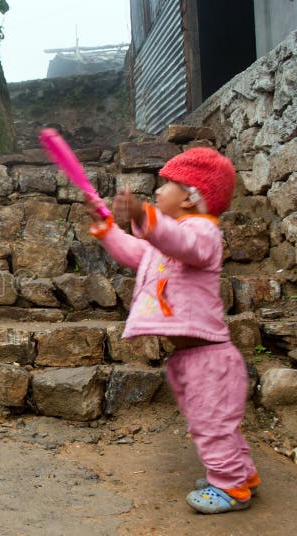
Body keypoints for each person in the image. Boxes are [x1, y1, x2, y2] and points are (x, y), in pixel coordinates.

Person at [87, 147, 259, 514]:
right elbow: (137, 253)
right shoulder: (167, 239)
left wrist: (144, 216)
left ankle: (229, 487)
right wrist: (107, 229)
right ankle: (240, 475)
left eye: (166, 185)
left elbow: (183, 245)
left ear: (191, 197)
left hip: (210, 358)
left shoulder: (202, 232)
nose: (157, 193)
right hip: (190, 355)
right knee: (211, 422)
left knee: (211, 424)